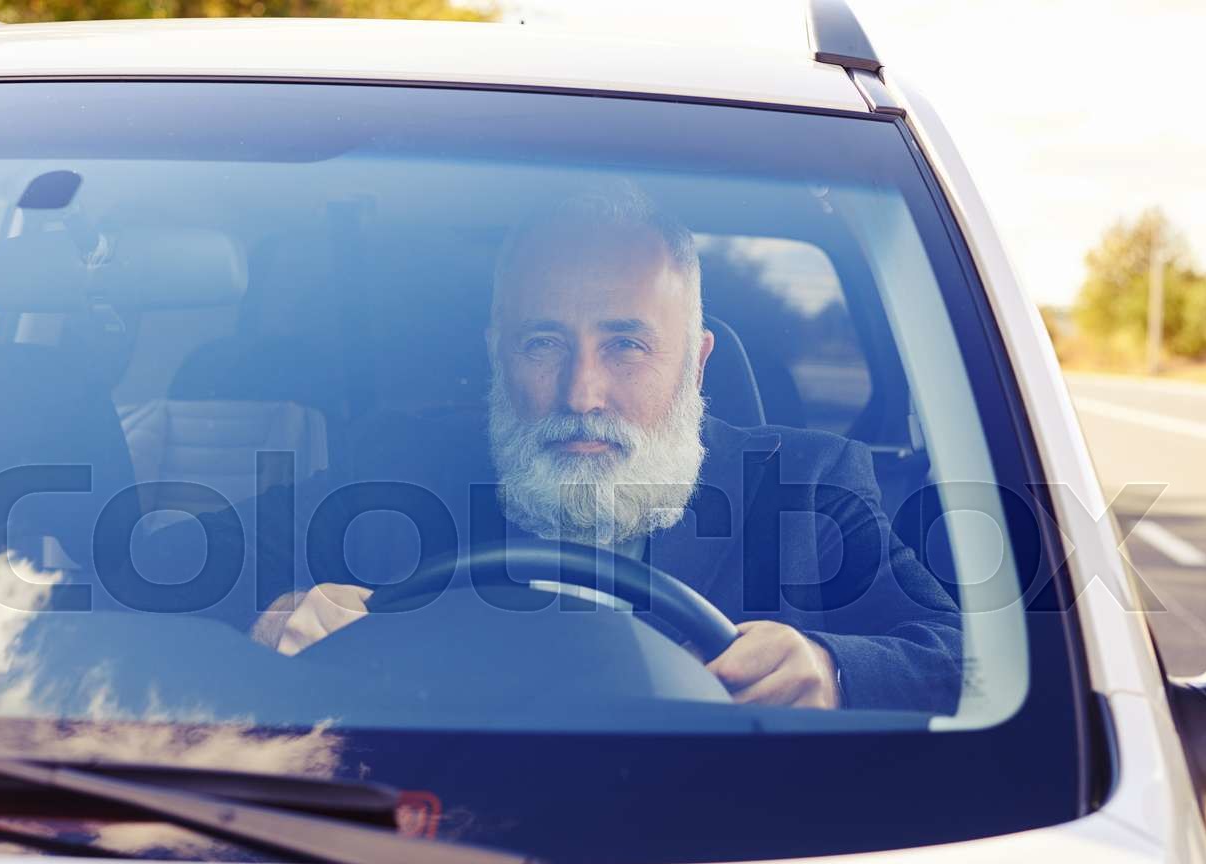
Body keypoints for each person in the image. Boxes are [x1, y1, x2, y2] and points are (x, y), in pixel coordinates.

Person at [244, 186, 963, 712]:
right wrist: (277, 613)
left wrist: (835, 670)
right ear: (499, 355)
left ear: (696, 361)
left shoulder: (806, 483)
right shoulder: (397, 466)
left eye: (626, 344)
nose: (581, 391)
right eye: (544, 343)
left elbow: (975, 660)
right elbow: (150, 568)